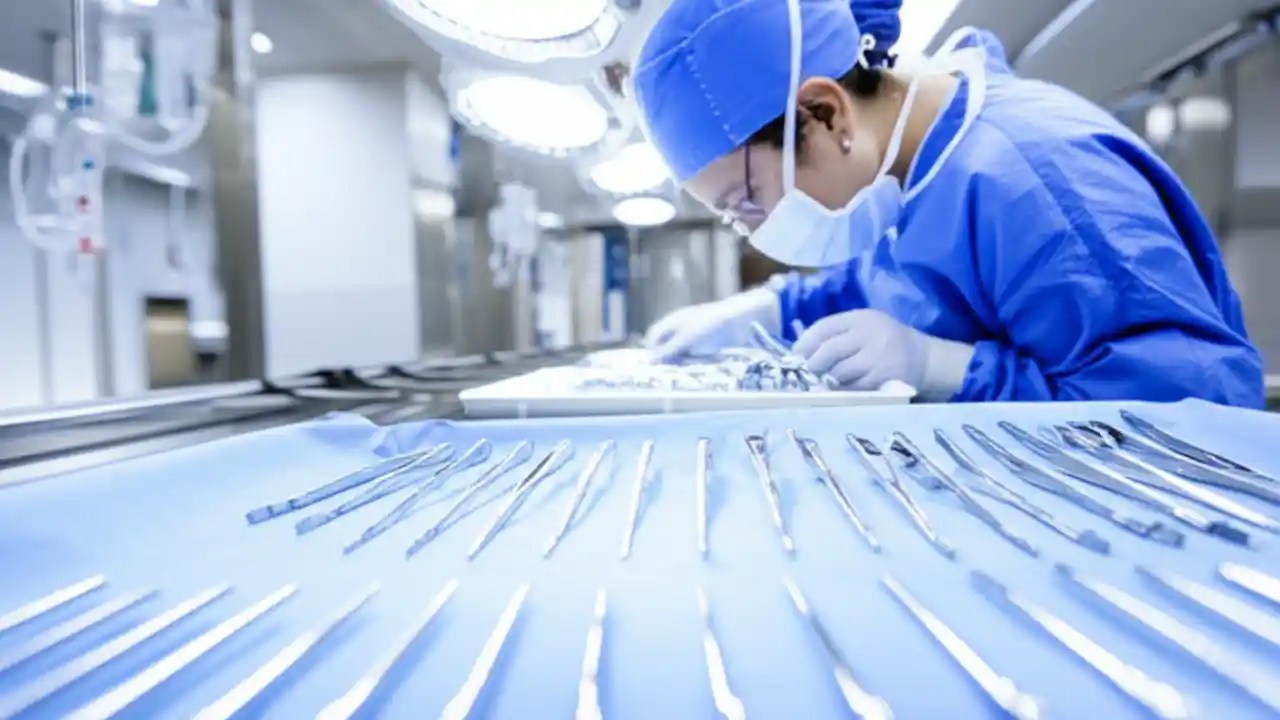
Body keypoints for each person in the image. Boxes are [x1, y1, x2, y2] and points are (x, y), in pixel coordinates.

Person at [634, 0, 1264, 406]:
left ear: (824, 115)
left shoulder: (1033, 182)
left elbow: (1195, 404)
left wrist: (947, 369)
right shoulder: (901, 177)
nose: (754, 231)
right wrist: (774, 308)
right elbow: (886, 284)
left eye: (748, 201)